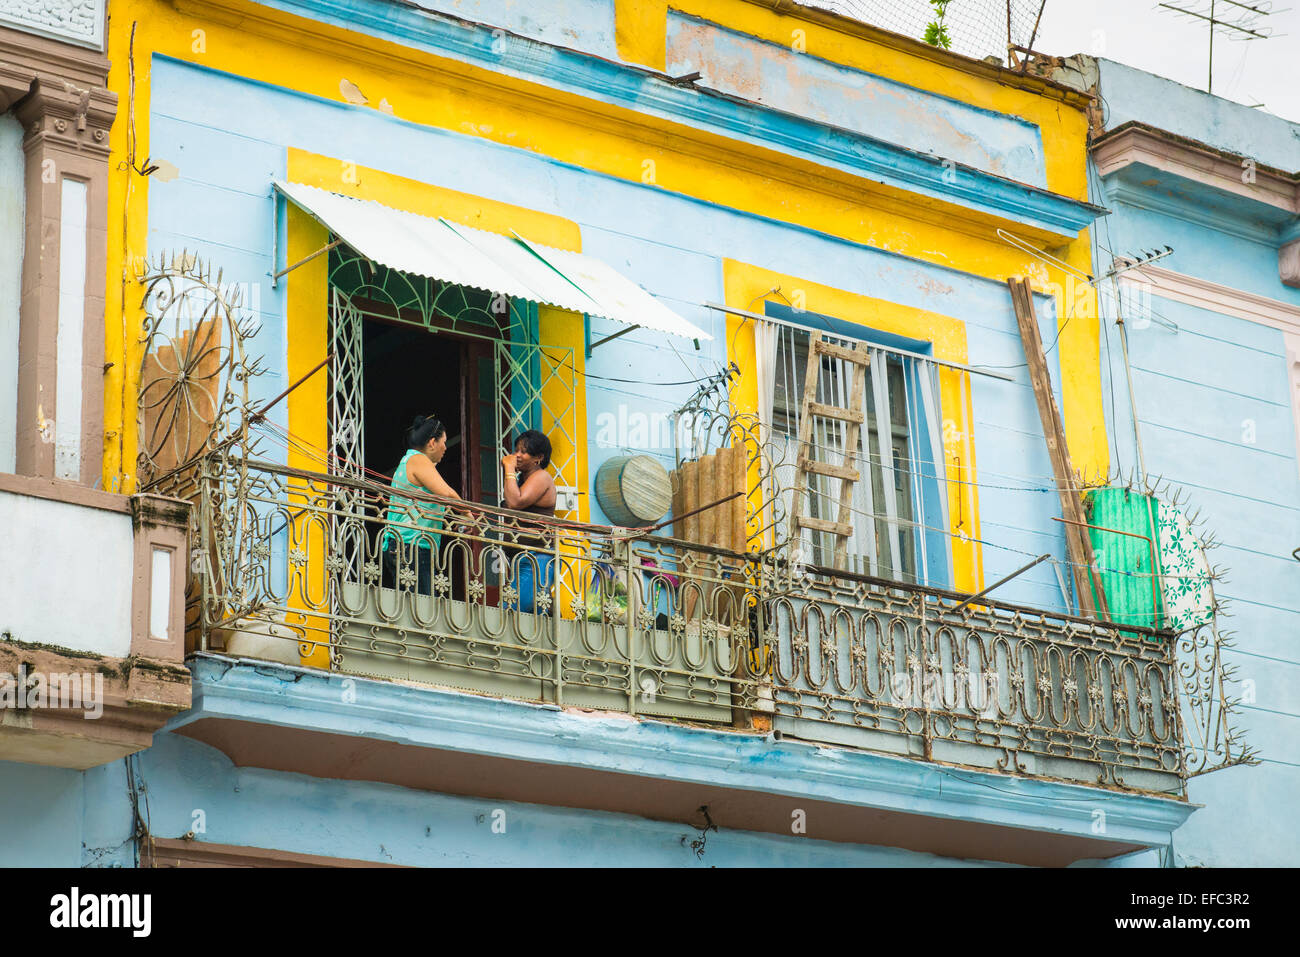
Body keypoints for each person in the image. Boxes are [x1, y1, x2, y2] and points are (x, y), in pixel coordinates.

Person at [381, 414, 460, 595]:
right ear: (432, 442)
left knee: (412, 610)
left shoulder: (408, 460)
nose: (445, 447)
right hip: (412, 546)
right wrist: (469, 515)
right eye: (443, 442)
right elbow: (447, 493)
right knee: (421, 614)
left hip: (403, 545)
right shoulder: (418, 460)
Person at [500, 429, 557, 613]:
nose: (517, 455)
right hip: (522, 556)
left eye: (523, 452)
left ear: (538, 457)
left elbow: (516, 501)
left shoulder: (541, 477)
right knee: (521, 614)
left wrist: (508, 469)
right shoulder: (521, 479)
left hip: (536, 557)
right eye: (516, 450)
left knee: (511, 611)